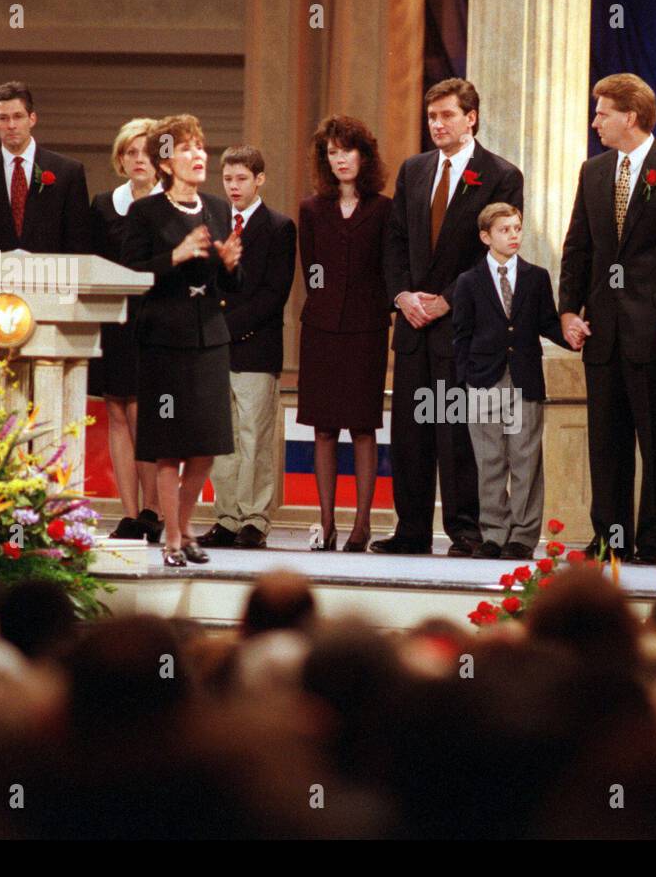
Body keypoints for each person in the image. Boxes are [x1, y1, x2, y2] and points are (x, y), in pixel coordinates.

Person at [559, 73, 656, 565]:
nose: (594, 121)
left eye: (602, 112)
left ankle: (652, 542)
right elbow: (577, 247)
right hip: (603, 330)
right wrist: (567, 310)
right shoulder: (594, 171)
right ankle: (611, 538)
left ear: (630, 116)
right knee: (607, 442)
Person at [373, 78, 524, 557]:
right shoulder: (413, 170)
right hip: (414, 326)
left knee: (459, 435)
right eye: (432, 117)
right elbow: (394, 240)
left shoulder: (500, 175)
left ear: (471, 118)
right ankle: (411, 530)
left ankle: (466, 533)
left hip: (463, 327)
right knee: (412, 434)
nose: (437, 124)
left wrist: (447, 299)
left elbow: (498, 249)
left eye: (446, 116)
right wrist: (401, 295)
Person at [121, 114, 242, 567]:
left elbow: (233, 285)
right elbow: (131, 274)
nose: (199, 156)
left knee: (206, 446)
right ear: (166, 162)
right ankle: (172, 538)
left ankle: (185, 524)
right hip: (164, 343)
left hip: (210, 338)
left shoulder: (217, 208)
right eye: (188, 149)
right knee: (169, 445)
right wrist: (176, 254)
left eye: (201, 148)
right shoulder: (145, 213)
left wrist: (230, 263)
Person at [451, 202, 572, 560]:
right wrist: (464, 384)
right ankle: (493, 533)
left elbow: (548, 323)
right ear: (486, 237)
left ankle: (522, 535)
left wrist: (572, 332)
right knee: (489, 460)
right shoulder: (469, 282)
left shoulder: (536, 277)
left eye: (517, 228)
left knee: (525, 459)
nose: (513, 235)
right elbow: (461, 336)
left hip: (524, 378)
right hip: (483, 381)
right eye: (505, 230)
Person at [296, 116, 393, 553]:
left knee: (363, 428)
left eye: (347, 150)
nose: (340, 159)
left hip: (366, 328)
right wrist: (323, 303)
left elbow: (388, 269)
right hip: (321, 329)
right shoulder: (312, 209)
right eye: (332, 152)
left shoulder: (384, 209)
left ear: (363, 156)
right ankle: (327, 524)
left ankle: (361, 526)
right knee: (323, 430)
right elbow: (311, 267)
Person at [195, 146, 297, 550]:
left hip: (255, 347)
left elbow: (275, 293)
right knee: (224, 437)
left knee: (255, 436)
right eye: (228, 179)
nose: (234, 187)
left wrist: (226, 327)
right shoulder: (211, 223)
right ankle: (227, 516)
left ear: (260, 180)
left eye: (241, 179)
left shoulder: (279, 227)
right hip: (215, 350)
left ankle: (255, 518)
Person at [88, 117, 163, 542]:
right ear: (121, 159)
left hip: (153, 321)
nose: (138, 159)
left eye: (146, 153)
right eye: (131, 152)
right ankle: (130, 513)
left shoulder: (171, 204)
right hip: (112, 319)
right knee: (116, 411)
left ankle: (153, 510)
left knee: (144, 414)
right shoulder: (103, 204)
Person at [0, 80, 91, 255]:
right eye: (3, 118)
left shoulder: (68, 172)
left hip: (51, 278)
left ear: (32, 119)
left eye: (18, 116)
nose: (11, 125)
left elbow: (79, 244)